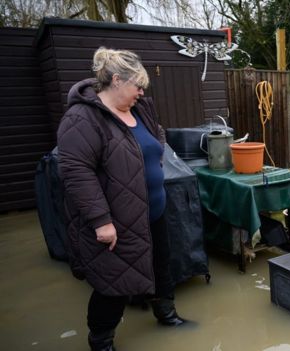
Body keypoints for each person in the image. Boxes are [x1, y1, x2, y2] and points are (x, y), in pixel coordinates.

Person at [57, 47, 188, 351]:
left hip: (153, 211)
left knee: (161, 265)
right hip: (116, 221)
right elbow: (76, 172)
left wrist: (152, 165)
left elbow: (158, 136)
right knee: (113, 283)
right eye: (137, 86)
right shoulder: (82, 117)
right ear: (116, 80)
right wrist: (101, 221)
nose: (141, 92)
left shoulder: (141, 108)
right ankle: (101, 341)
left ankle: (166, 314)